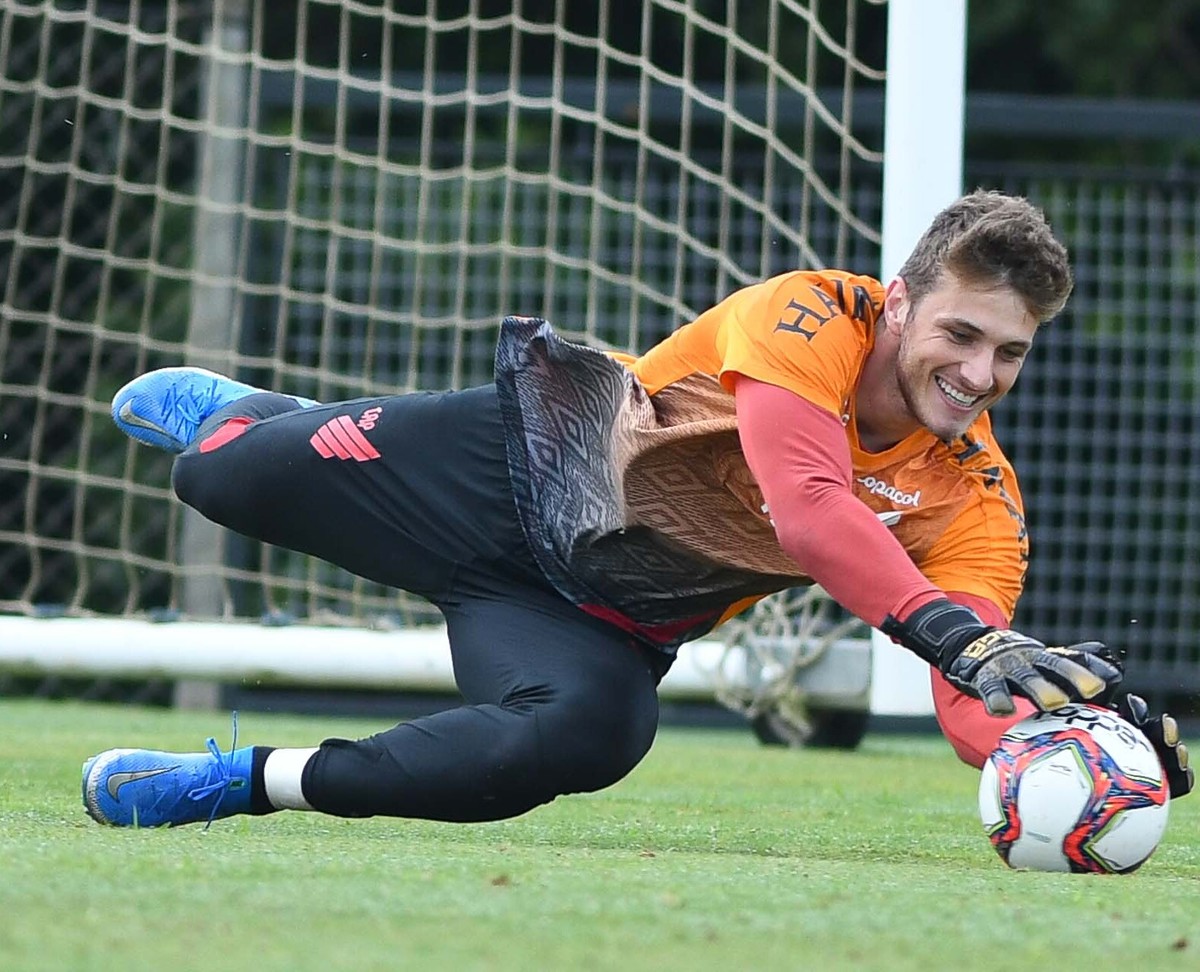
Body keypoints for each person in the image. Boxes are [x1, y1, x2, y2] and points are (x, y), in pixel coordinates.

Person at [82, 189, 1192, 829]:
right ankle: (265, 415)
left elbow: (968, 711)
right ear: (899, 303)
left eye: (1010, 352)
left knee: (583, 742)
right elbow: (808, 509)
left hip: (601, 620)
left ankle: (242, 781)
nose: (980, 371)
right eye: (961, 334)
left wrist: (1060, 727)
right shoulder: (809, 313)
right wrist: (957, 637)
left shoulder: (981, 502)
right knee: (214, 481)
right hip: (504, 467)